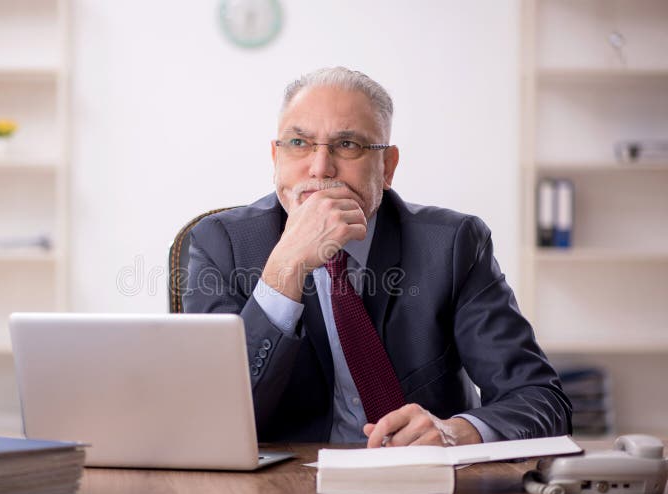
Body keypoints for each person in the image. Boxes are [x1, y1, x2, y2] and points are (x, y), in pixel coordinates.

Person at [184, 67, 571, 447]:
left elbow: (541, 400)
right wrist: (286, 267)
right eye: (299, 144)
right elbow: (211, 419)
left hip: (424, 487)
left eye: (347, 145)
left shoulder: (454, 244)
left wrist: (457, 432)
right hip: (282, 489)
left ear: (387, 167)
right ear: (275, 157)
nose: (320, 168)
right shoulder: (220, 244)